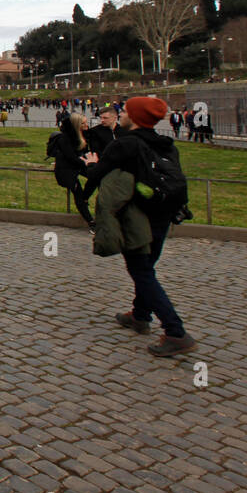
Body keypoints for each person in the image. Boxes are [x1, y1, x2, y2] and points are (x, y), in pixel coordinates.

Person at [82, 96, 197, 356]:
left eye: (125, 111)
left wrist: (91, 165)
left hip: (137, 218)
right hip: (163, 215)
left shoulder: (125, 145)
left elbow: (97, 176)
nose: (120, 114)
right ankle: (140, 315)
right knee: (147, 267)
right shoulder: (167, 145)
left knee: (141, 271)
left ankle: (176, 332)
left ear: (133, 117)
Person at [52, 112, 95, 227]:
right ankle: (90, 221)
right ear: (77, 125)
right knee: (78, 193)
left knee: (96, 178)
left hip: (79, 166)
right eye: (84, 123)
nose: (87, 125)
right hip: (67, 170)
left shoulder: (84, 134)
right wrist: (86, 162)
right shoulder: (65, 139)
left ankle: (86, 200)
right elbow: (70, 156)